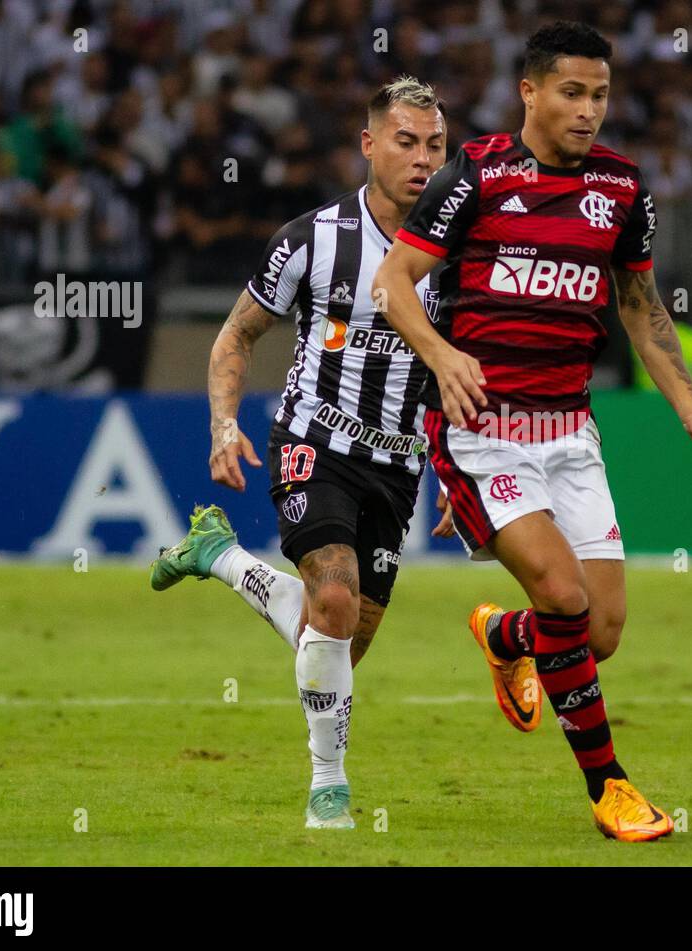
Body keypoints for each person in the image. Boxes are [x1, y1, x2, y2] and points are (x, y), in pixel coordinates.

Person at [373, 22, 692, 841]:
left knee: (599, 633)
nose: (588, 111)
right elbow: (393, 281)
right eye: (572, 93)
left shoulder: (621, 187)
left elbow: (640, 308)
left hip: (570, 432)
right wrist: (441, 357)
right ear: (531, 92)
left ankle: (503, 635)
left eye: (601, 95)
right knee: (564, 597)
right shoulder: (475, 174)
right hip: (482, 433)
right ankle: (610, 788)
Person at [149, 77, 449, 828]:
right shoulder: (311, 239)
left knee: (340, 638)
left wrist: (466, 473)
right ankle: (328, 787)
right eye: (406, 142)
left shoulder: (459, 252)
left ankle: (219, 556)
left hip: (400, 463)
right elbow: (236, 335)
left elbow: (462, 368)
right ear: (369, 144)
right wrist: (225, 425)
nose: (422, 159)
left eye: (436, 146)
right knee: (336, 601)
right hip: (313, 442)